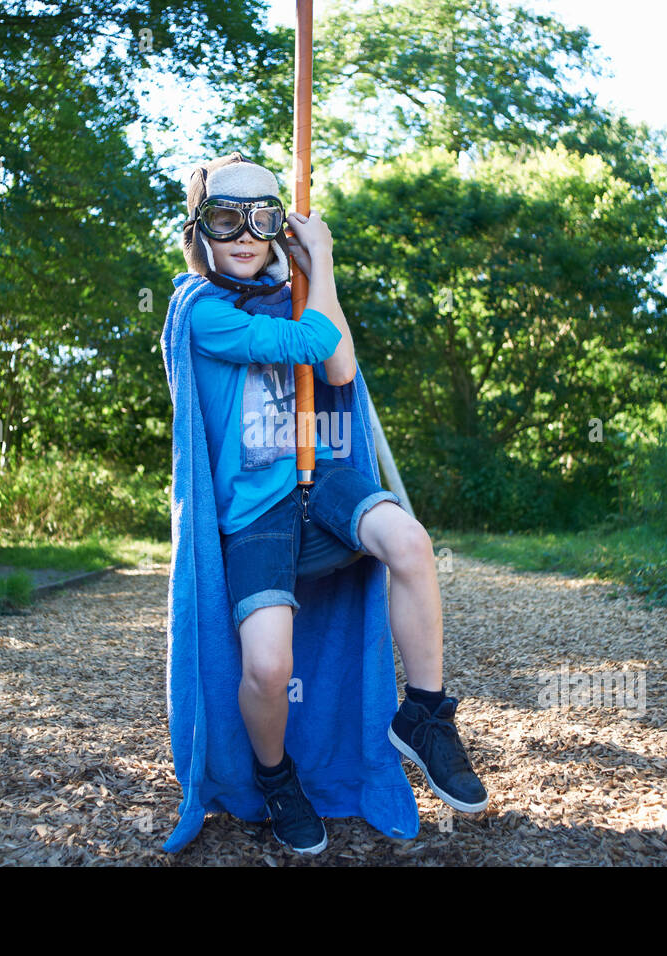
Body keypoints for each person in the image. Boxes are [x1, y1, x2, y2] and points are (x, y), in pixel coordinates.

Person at [178, 151, 488, 855]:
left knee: (409, 542)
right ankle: (275, 775)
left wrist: (312, 274)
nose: (246, 234)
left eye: (263, 217)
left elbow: (339, 366)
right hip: (253, 513)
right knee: (266, 668)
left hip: (320, 487)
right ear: (201, 230)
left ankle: (426, 716)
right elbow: (313, 341)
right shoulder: (200, 313)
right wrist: (323, 260)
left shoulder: (293, 290)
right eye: (227, 219)